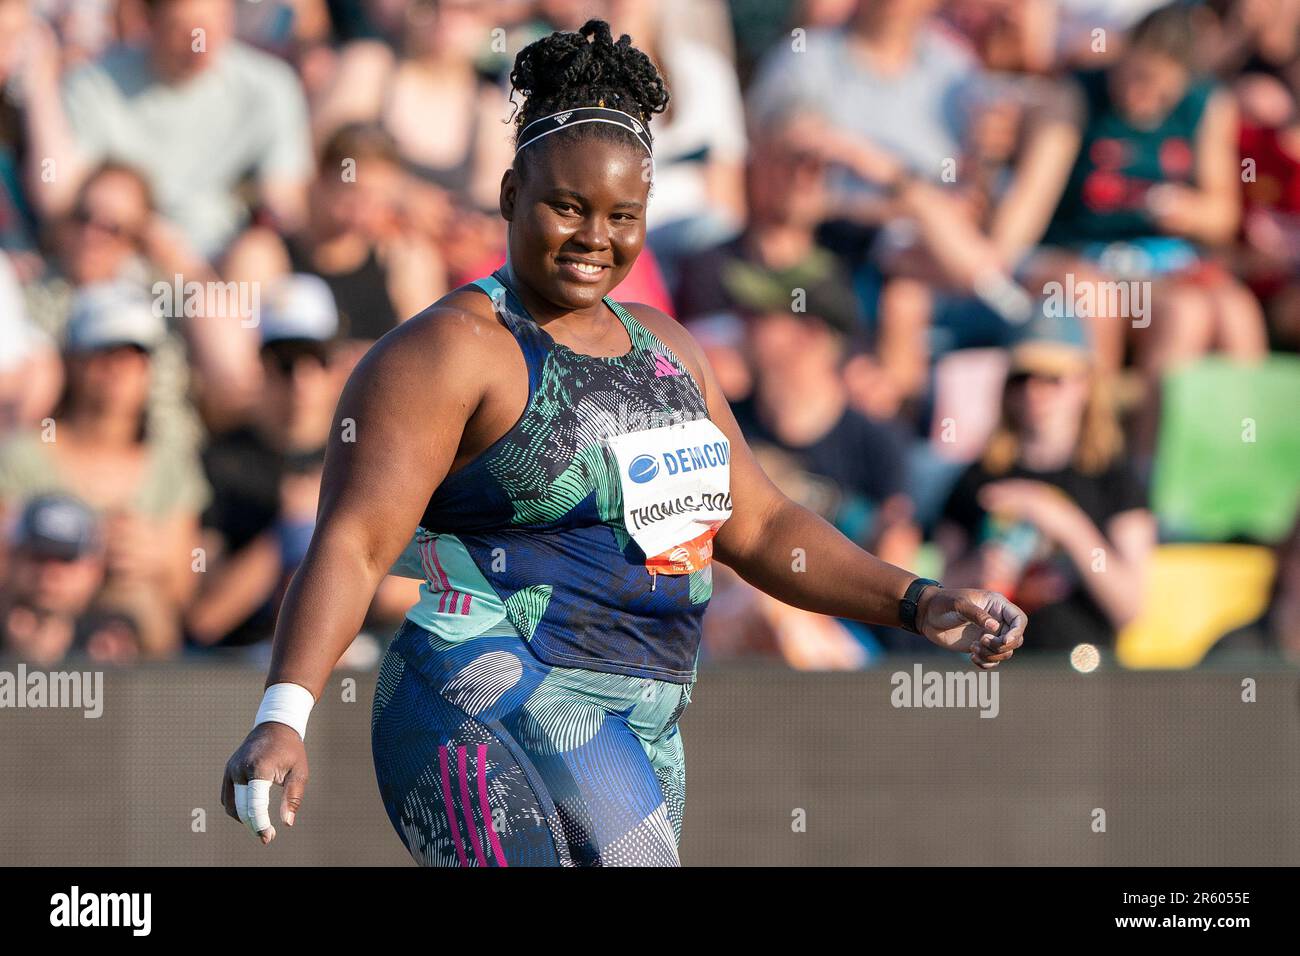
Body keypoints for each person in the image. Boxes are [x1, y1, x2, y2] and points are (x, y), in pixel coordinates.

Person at [219, 19, 1027, 868]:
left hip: (643, 720)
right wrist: (283, 715)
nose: (593, 237)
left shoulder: (667, 351)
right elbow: (353, 542)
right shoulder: (449, 352)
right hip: (478, 689)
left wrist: (918, 599)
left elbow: (760, 528)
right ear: (508, 196)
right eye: (566, 206)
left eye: (622, 215)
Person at [936, 314, 1156, 653]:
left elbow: (1131, 607)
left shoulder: (1115, 478)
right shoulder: (979, 478)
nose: (1034, 392)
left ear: (1084, 384)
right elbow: (938, 594)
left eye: (1052, 378)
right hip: (992, 663)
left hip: (1082, 662)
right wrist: (977, 571)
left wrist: (1064, 523)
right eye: (1022, 378)